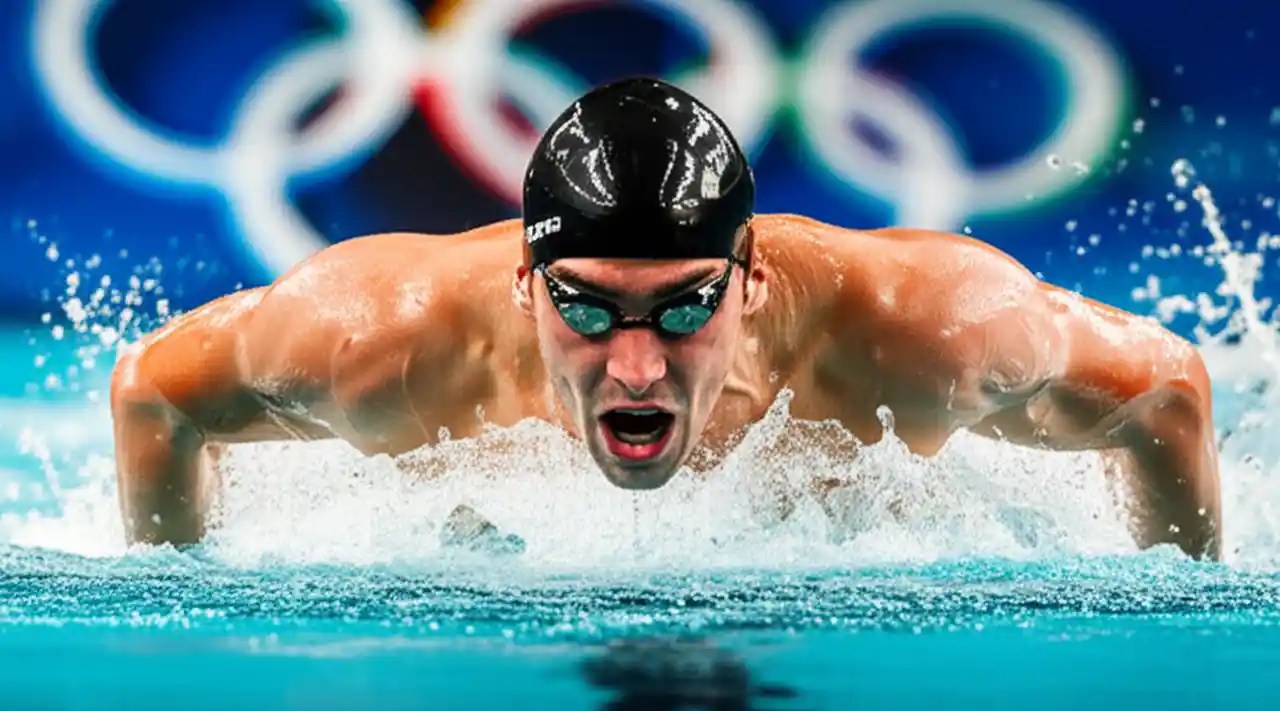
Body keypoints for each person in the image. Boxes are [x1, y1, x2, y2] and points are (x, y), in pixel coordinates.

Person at [109, 77, 1222, 558]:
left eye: (683, 306)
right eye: (586, 310)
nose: (633, 366)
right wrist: (181, 589)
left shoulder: (923, 331)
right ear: (522, 285)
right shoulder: (376, 340)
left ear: (750, 283)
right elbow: (153, 390)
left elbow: (1165, 382)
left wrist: (1175, 609)